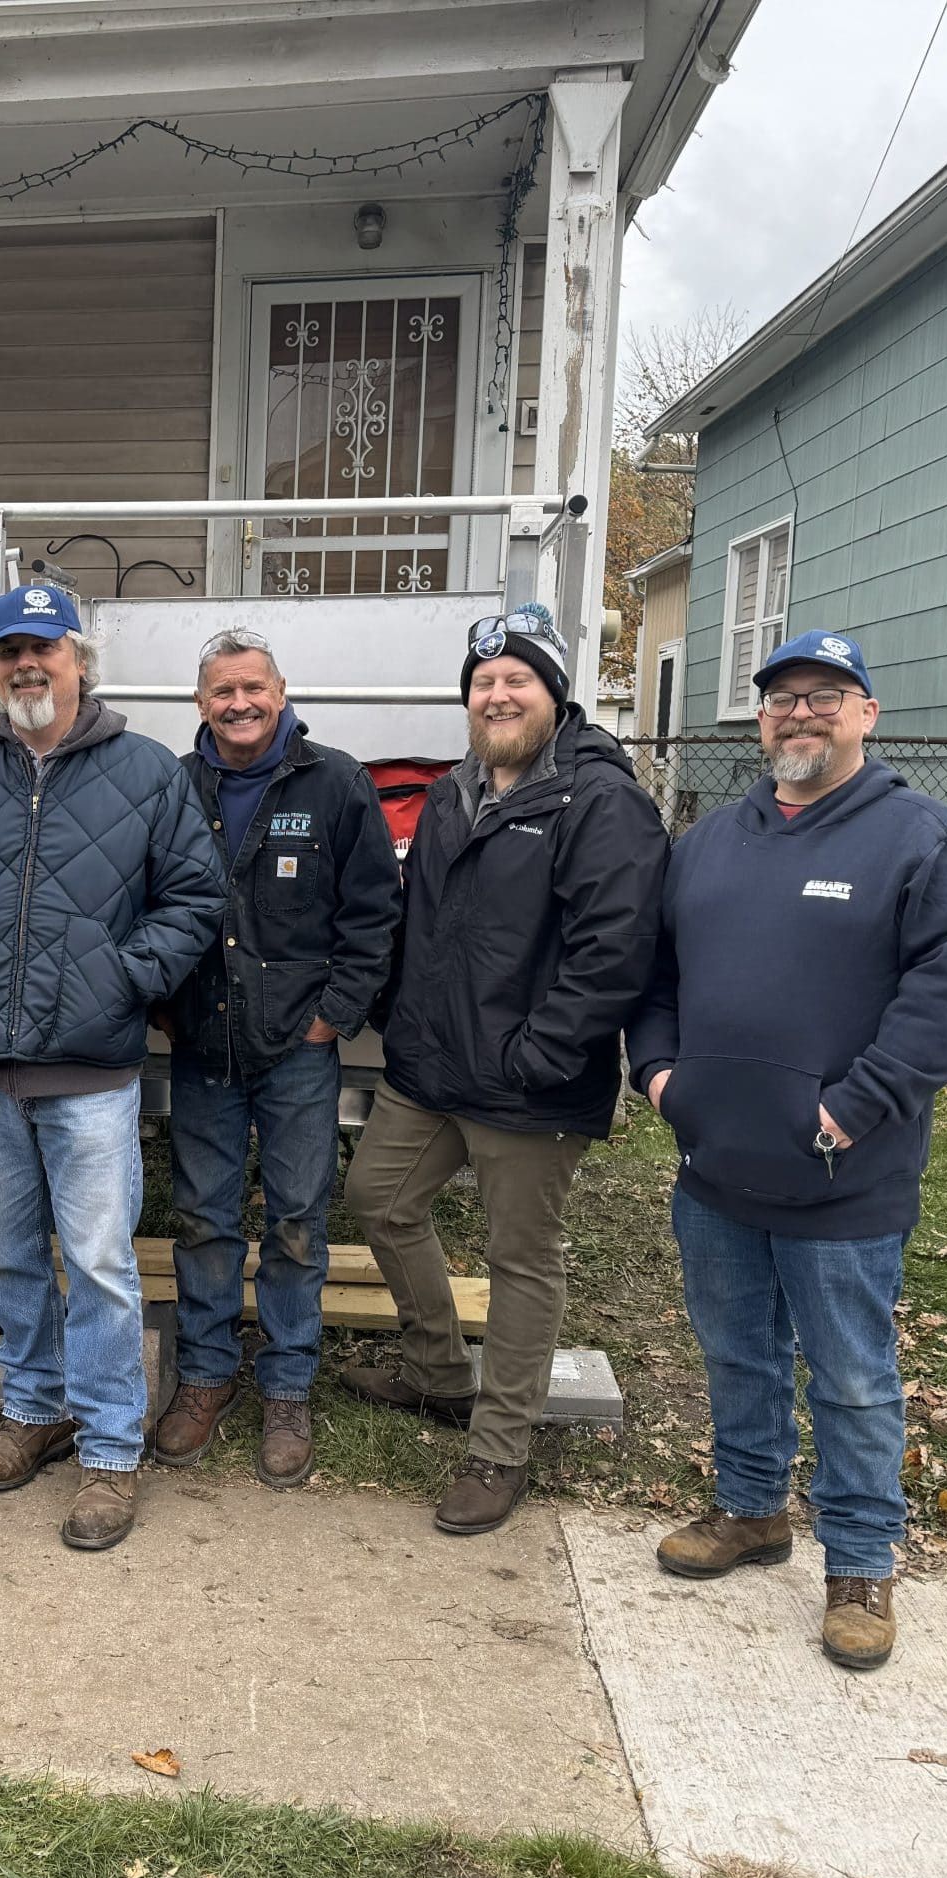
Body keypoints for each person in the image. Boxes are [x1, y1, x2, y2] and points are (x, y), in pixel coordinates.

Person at [629, 629, 947, 1671]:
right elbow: (656, 978)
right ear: (760, 719)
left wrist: (854, 1107)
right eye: (782, 697)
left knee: (849, 1378)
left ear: (865, 715)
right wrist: (658, 1075)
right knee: (736, 1350)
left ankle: (861, 1565)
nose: (800, 713)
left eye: (825, 696)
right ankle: (750, 1508)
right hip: (715, 1166)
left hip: (845, 1175)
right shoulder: (710, 841)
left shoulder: (920, 841)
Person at [0, 581, 224, 1550]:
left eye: (45, 648)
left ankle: (110, 1450)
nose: (27, 665)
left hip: (91, 1070)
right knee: (6, 1257)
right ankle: (34, 1409)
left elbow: (194, 900)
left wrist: (120, 979)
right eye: (10, 652)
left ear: (80, 660)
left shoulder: (147, 773)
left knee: (101, 1265)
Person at [342, 606, 668, 1536]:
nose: (497, 695)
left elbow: (616, 949)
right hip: (432, 1064)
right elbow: (420, 917)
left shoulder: (600, 802)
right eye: (483, 682)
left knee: (521, 1258)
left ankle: (500, 1446)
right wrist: (394, 1009)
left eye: (517, 679)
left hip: (530, 1083)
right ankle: (439, 1371)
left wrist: (543, 1052)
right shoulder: (455, 791)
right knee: (378, 1198)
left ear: (554, 691)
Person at [151, 629, 399, 1490]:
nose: (240, 704)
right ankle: (206, 1375)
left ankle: (288, 1387)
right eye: (222, 691)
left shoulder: (336, 783)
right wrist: (161, 1003)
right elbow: (139, 900)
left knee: (296, 1221)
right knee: (203, 1218)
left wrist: (333, 1019)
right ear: (201, 703)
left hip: (299, 1048)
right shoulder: (174, 787)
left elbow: (374, 914)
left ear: (281, 692)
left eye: (253, 688)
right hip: (203, 1042)